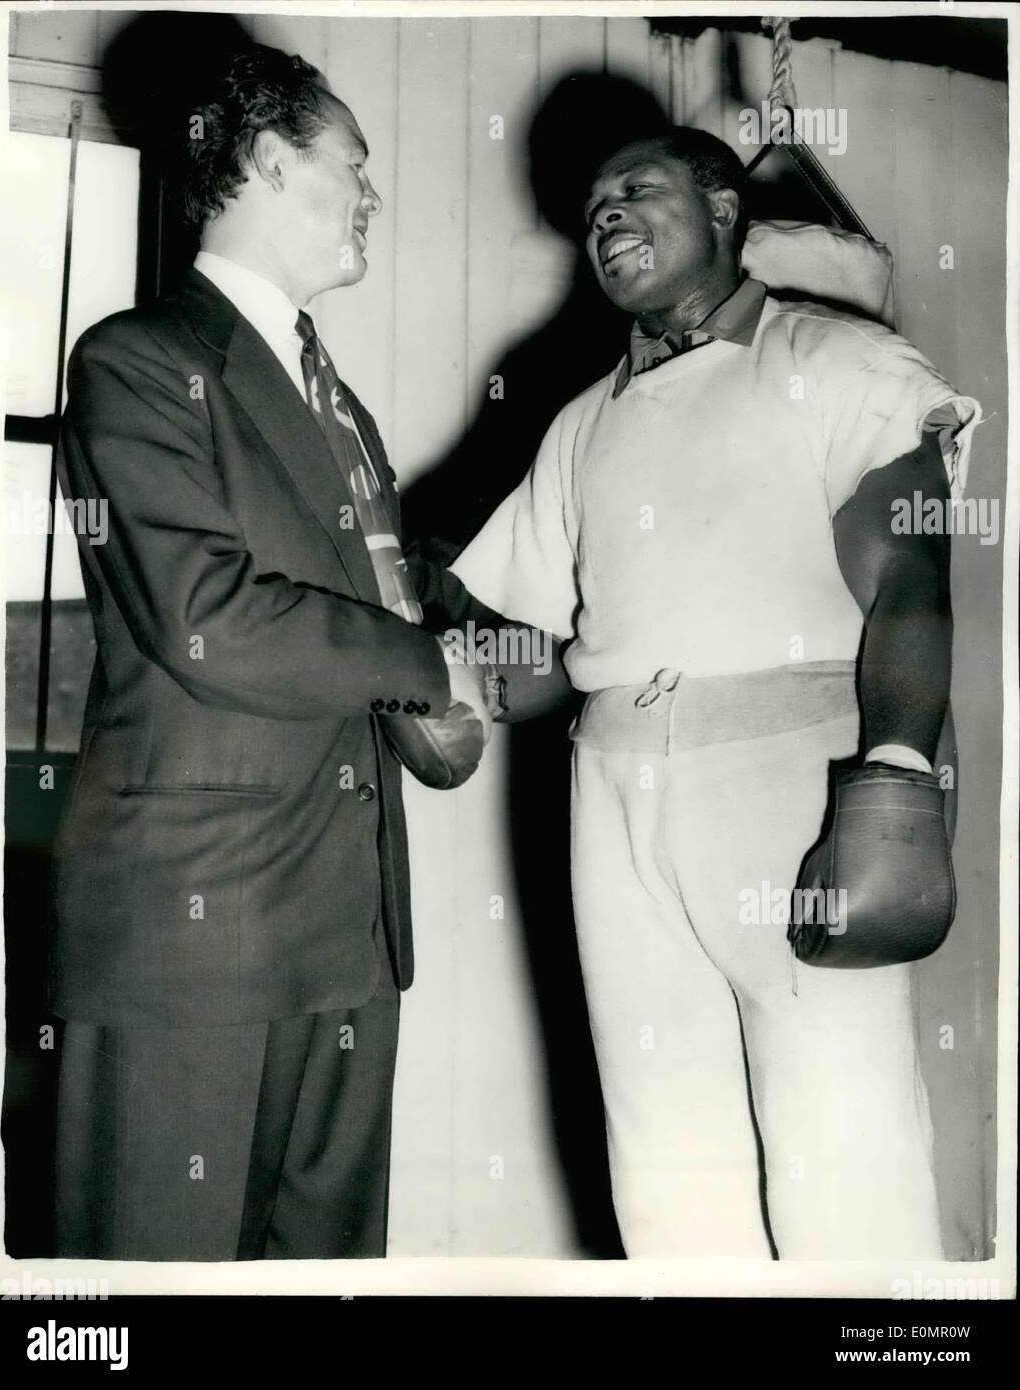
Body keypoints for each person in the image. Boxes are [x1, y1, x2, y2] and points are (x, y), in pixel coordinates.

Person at [50, 43, 561, 1261]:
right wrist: (434, 664)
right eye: (354, 165)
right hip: (194, 936)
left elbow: (404, 590)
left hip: (347, 940)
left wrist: (580, 644)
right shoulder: (134, 363)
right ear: (271, 162)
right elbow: (207, 614)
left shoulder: (341, 408)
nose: (372, 194)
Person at [451, 127, 981, 1258]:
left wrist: (891, 778)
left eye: (636, 188)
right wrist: (440, 677)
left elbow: (908, 580)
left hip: (786, 782)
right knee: (661, 1160)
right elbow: (551, 654)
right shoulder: (579, 424)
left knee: (841, 1142)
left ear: (728, 211)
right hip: (613, 799)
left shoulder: (833, 361)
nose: (605, 214)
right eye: (592, 202)